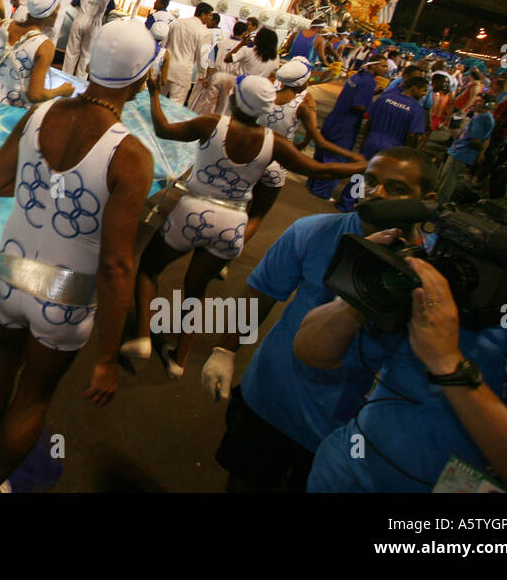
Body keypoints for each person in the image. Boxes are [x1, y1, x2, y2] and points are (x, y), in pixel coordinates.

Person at [0, 19, 156, 492]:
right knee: (32, 396)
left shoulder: (40, 114)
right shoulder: (130, 155)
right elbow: (116, 265)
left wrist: (41, 193)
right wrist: (107, 356)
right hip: (63, 291)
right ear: (139, 79)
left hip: (10, 271)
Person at [205, 148, 435, 491]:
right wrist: (225, 351)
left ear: (427, 200)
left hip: (344, 428)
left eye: (397, 188)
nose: (376, 193)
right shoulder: (313, 232)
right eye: (370, 181)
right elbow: (261, 293)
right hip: (274, 398)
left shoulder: (433, 272)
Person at [123, 75, 366, 376]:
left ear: (235, 100)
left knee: (149, 269)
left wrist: (154, 94)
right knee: (196, 289)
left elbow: (163, 129)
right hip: (233, 222)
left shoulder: (212, 124)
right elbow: (319, 169)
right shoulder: (274, 143)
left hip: (193, 211)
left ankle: (143, 337)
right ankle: (179, 359)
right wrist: (360, 164)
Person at [295, 253, 507, 491]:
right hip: (345, 478)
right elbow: (311, 351)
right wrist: (363, 294)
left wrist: (448, 365)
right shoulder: (469, 304)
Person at [244, 56, 364, 245]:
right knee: (256, 216)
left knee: (241, 208)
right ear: (301, 83)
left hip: (253, 156)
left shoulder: (266, 91)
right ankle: (232, 250)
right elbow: (319, 141)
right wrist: (353, 156)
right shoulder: (303, 103)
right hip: (277, 163)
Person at [0, 0, 72, 107]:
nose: (57, 14)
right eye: (57, 10)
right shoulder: (44, 45)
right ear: (49, 13)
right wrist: (61, 91)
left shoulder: (2, 26)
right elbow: (35, 95)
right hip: (11, 111)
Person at [308, 58, 387, 199]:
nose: (386, 69)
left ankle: (312, 183)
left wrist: (372, 94)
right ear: (373, 66)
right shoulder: (369, 82)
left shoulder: (357, 76)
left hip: (334, 119)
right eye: (383, 66)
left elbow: (354, 96)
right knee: (336, 159)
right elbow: (358, 105)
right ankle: (321, 191)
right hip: (346, 125)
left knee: (322, 154)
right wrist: (372, 110)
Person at [437, 91, 494, 203]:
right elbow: (487, 138)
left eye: (479, 101)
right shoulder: (488, 117)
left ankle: (439, 203)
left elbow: (476, 140)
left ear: (488, 105)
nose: (474, 103)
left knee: (448, 180)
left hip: (461, 153)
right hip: (463, 153)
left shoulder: (480, 119)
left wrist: (458, 136)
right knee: (450, 178)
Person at [62, 0, 116, 79]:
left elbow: (74, 2)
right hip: (95, 23)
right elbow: (110, 10)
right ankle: (80, 80)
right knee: (86, 54)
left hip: (80, 18)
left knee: (72, 50)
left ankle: (65, 77)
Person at [188, 20, 247, 115]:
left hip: (216, 76)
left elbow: (211, 61)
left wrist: (207, 77)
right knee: (225, 108)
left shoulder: (221, 43)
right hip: (232, 80)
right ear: (244, 33)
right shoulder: (245, 49)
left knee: (208, 105)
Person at [163, 2, 215, 105]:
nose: (211, 18)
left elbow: (164, 43)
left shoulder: (176, 22)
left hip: (166, 66)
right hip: (183, 72)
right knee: (176, 104)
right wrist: (203, 76)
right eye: (210, 15)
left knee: (156, 99)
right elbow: (203, 56)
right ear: (203, 14)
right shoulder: (205, 32)